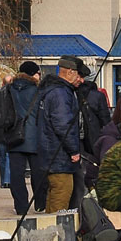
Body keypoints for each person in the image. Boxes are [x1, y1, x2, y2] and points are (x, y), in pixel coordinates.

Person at [0, 62, 43, 213]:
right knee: (38, 173)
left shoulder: (8, 89)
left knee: (16, 174)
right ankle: (40, 204)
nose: (39, 76)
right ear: (32, 74)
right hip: (34, 136)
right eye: (38, 73)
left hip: (13, 136)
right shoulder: (37, 90)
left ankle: (21, 207)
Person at [37, 56, 84, 213]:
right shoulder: (61, 94)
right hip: (58, 157)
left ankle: (48, 229)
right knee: (61, 196)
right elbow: (64, 125)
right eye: (79, 75)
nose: (81, 80)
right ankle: (56, 233)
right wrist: (74, 150)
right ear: (70, 72)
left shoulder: (51, 90)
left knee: (53, 195)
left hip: (50, 154)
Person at [75, 63, 112, 191]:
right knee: (94, 165)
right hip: (94, 136)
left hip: (76, 136)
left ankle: (81, 192)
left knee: (80, 166)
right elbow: (105, 119)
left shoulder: (74, 93)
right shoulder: (97, 96)